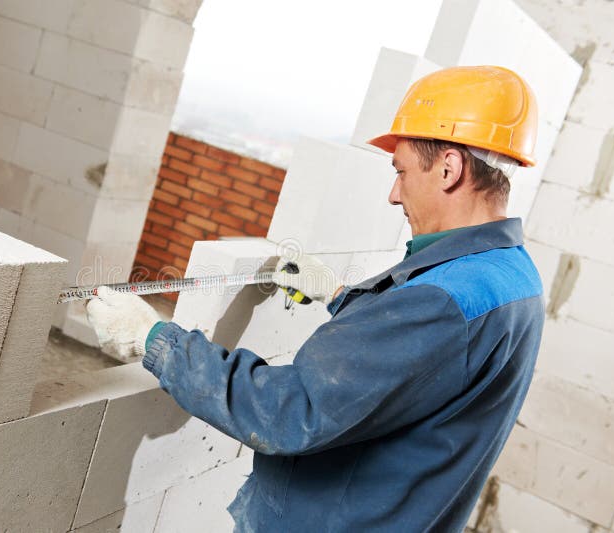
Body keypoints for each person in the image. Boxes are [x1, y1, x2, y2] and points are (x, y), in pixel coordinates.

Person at [86, 65, 544, 532]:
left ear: (449, 168)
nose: (393, 194)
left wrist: (155, 339)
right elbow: (419, 367)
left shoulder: (443, 302)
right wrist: (343, 295)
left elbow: (290, 411)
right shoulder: (512, 276)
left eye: (401, 172)